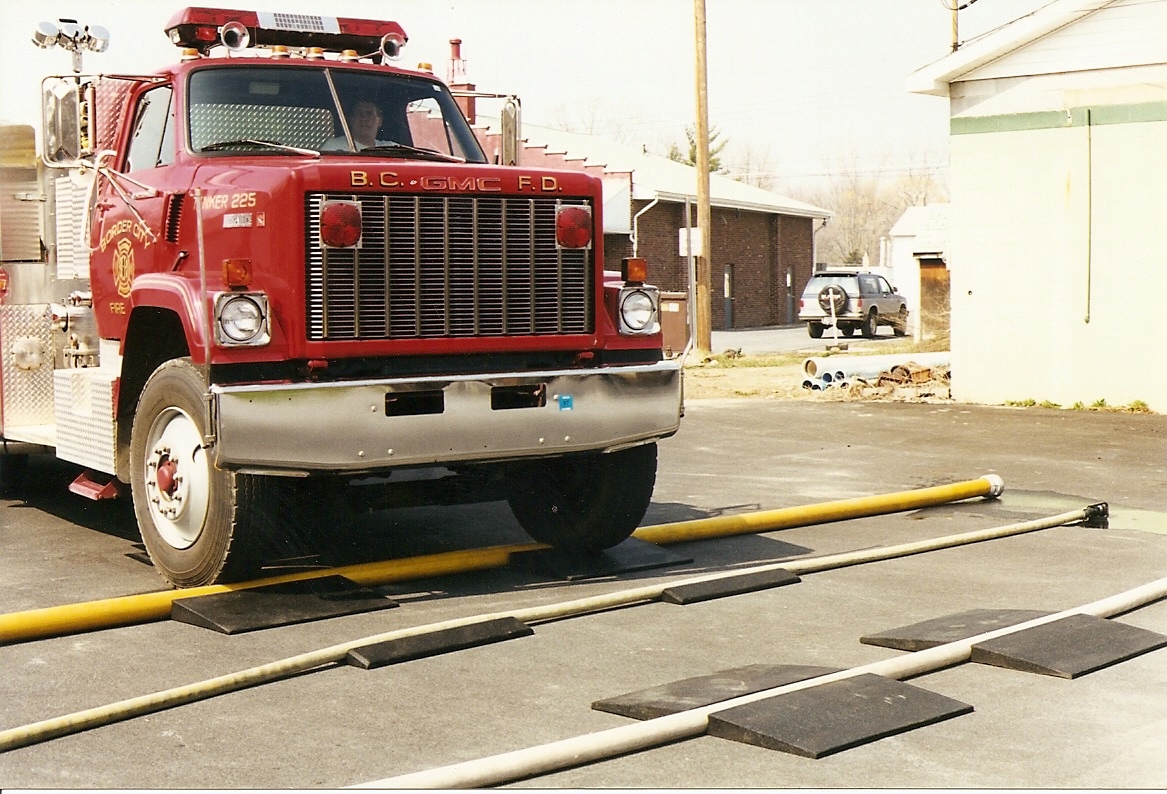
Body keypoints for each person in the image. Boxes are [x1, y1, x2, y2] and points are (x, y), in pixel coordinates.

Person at [321, 100, 395, 151]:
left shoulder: (392, 149)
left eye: (369, 113)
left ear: (379, 121)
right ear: (351, 120)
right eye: (359, 113)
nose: (364, 118)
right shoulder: (333, 147)